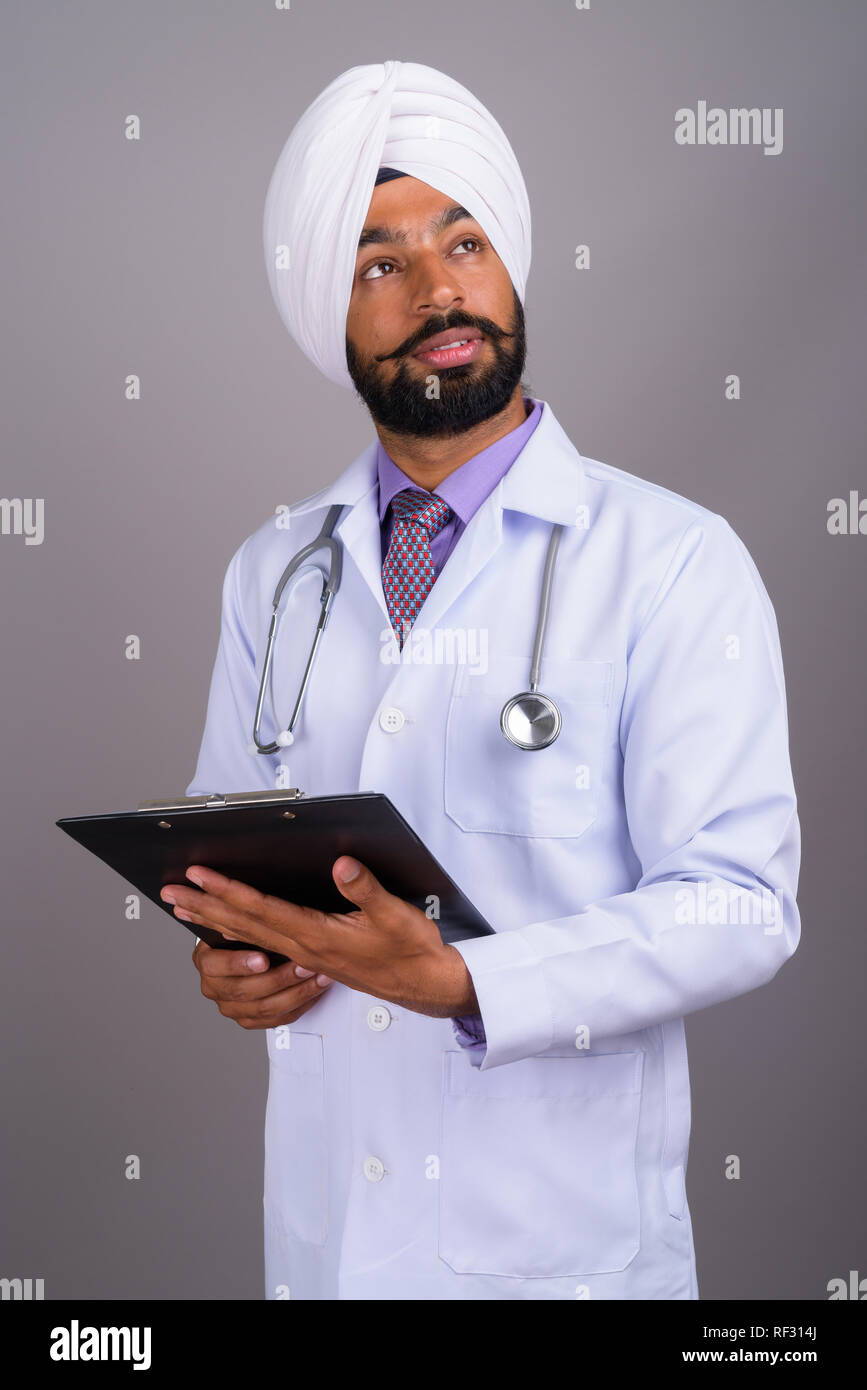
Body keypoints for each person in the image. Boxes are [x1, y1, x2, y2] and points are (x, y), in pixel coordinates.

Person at [163, 60, 801, 1301]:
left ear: (507, 263)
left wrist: (470, 983)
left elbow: (739, 902)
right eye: (379, 264)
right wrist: (233, 955)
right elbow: (225, 850)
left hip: (558, 1258)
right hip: (331, 1244)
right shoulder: (275, 570)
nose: (440, 286)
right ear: (328, 315)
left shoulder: (671, 560)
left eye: (465, 240)